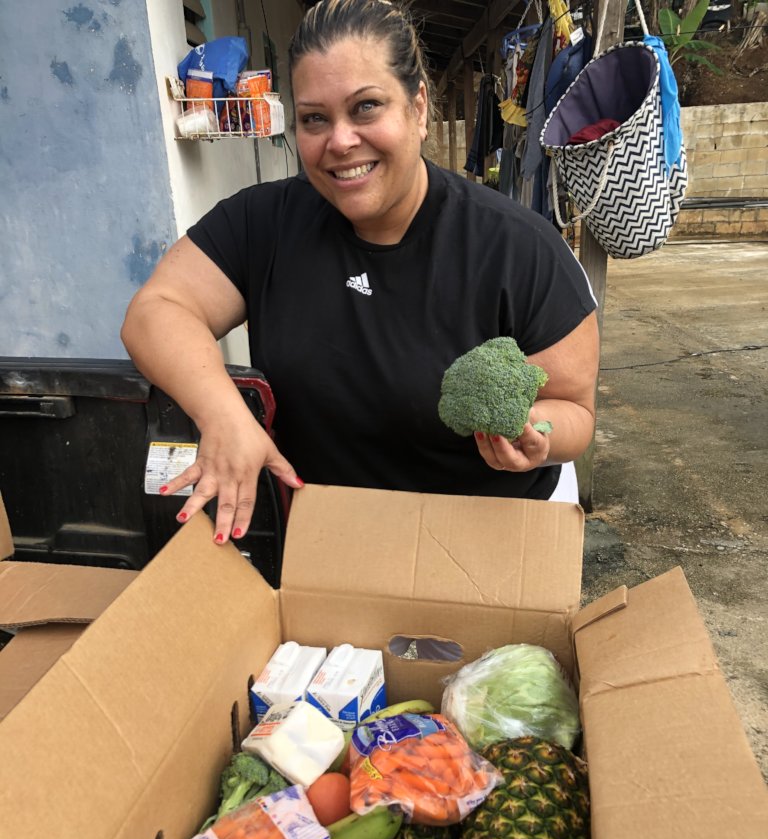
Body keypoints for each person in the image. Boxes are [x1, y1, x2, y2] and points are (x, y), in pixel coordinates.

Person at [121, 0, 599, 545]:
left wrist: (537, 435)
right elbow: (156, 311)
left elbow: (575, 412)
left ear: (418, 108)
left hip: (489, 537)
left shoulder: (519, 248)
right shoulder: (262, 224)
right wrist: (224, 415)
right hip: (332, 535)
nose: (340, 141)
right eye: (314, 119)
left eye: (367, 107)